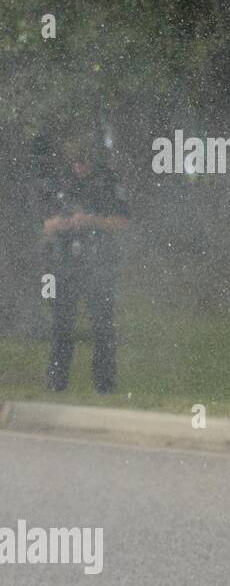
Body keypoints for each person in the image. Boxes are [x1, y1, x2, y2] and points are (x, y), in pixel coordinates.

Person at [38, 130, 129, 394]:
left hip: (99, 263)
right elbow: (44, 222)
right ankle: (57, 382)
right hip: (64, 264)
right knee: (61, 325)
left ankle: (105, 383)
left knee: (102, 326)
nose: (79, 167)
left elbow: (122, 220)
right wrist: (62, 224)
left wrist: (91, 221)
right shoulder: (59, 183)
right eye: (75, 162)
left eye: (84, 161)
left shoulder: (107, 182)